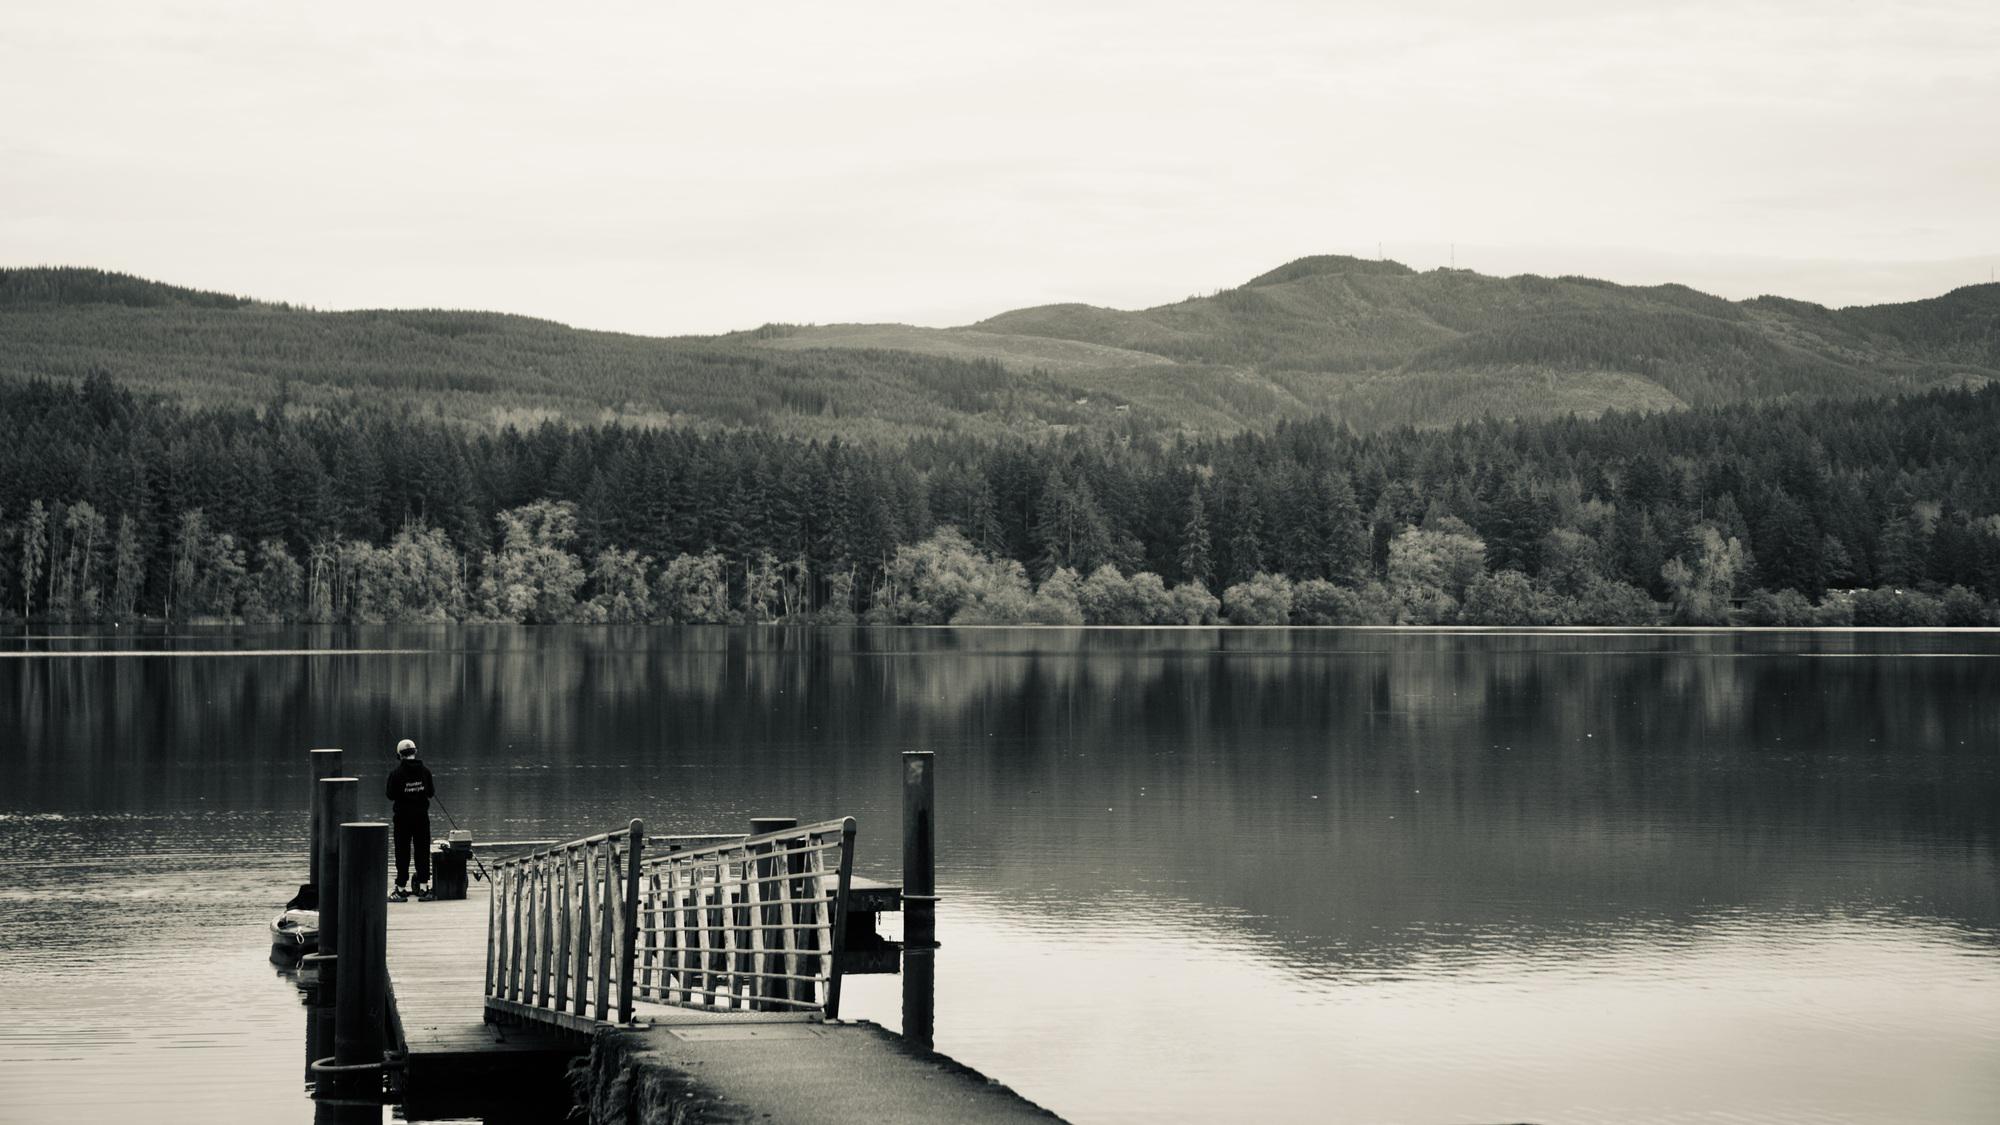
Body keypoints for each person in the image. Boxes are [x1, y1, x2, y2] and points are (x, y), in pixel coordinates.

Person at [385, 738, 436, 901]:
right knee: (422, 851)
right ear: (415, 752)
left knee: (402, 853)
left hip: (402, 819)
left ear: (399, 755)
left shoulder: (395, 774)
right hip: (421, 817)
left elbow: (390, 795)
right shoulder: (426, 771)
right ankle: (423, 888)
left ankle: (400, 889)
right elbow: (430, 793)